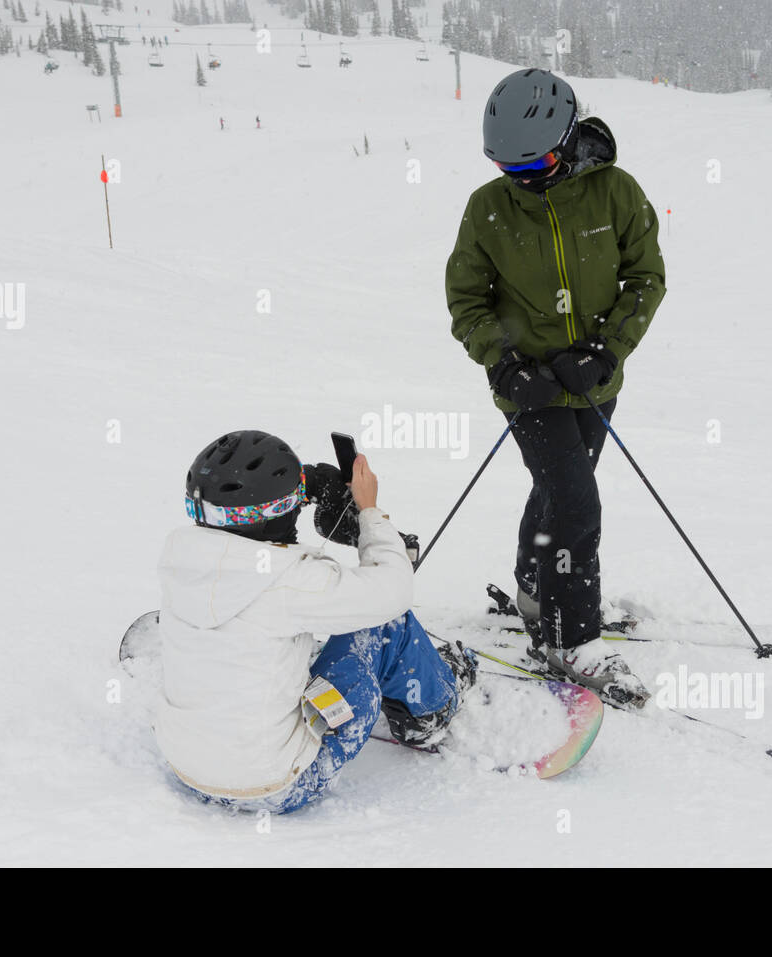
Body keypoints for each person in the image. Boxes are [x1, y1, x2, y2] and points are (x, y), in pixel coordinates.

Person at [445, 69, 667, 706]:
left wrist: (604, 350)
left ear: (568, 140)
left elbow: (646, 278)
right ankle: (572, 640)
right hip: (530, 390)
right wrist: (507, 364)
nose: (524, 178)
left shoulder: (616, 193)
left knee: (557, 488)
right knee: (576, 503)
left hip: (594, 382)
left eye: (536, 161)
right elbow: (467, 301)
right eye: (507, 165)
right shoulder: (488, 209)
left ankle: (536, 592)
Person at [155, 430, 476, 814]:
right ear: (283, 512)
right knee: (384, 623)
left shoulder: (178, 559)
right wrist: (368, 510)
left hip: (186, 767)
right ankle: (431, 712)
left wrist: (299, 483)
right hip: (274, 786)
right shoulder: (293, 580)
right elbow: (393, 590)